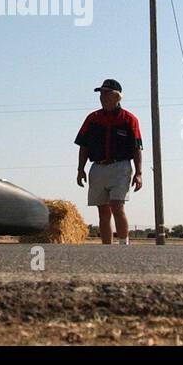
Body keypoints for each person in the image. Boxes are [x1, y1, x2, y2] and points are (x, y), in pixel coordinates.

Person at [74, 79, 143, 245]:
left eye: (106, 93)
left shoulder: (129, 119)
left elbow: (137, 148)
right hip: (98, 167)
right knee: (103, 210)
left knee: (117, 206)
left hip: (120, 167)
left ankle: (123, 244)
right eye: (101, 93)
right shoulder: (92, 118)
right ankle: (106, 248)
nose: (102, 96)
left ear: (117, 96)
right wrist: (80, 169)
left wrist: (139, 173)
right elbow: (83, 145)